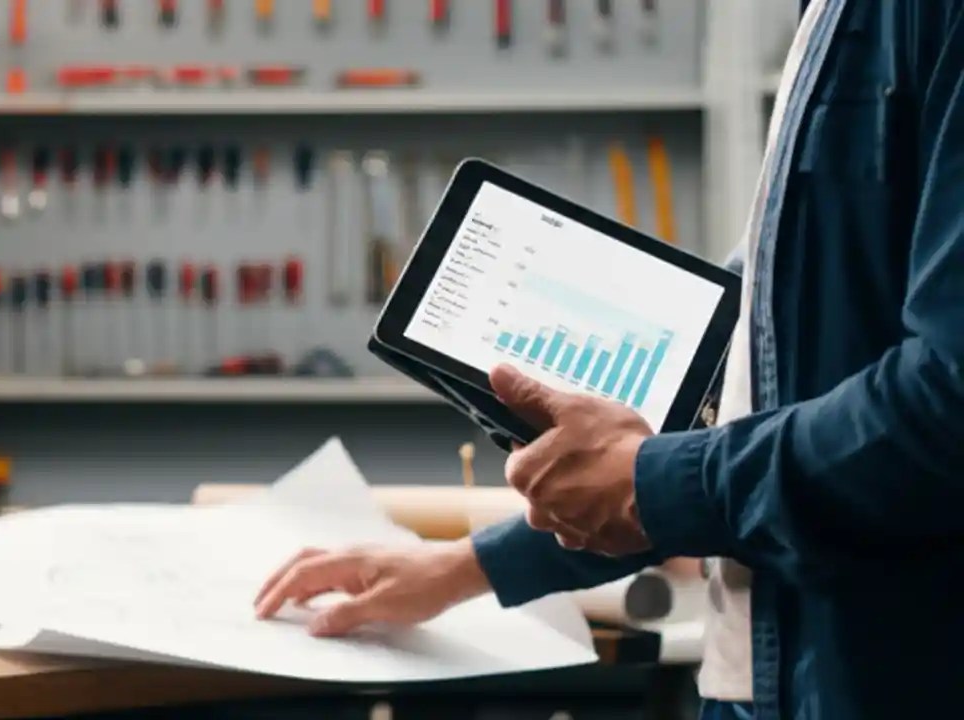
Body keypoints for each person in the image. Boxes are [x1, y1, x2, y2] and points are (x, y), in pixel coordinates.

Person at [254, 2, 964, 717]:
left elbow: (947, 408)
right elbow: (732, 394)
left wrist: (648, 482)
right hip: (772, 676)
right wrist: (466, 566)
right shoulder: (834, 19)